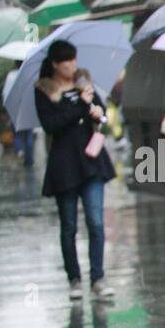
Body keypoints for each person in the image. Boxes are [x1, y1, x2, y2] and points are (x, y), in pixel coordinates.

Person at [35, 39, 118, 300]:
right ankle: (74, 279)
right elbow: (51, 125)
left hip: (91, 160)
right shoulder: (44, 90)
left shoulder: (85, 83)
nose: (72, 65)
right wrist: (80, 105)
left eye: (73, 59)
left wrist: (97, 112)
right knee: (69, 226)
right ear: (55, 65)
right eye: (66, 61)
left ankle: (98, 278)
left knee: (96, 222)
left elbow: (103, 115)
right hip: (64, 165)